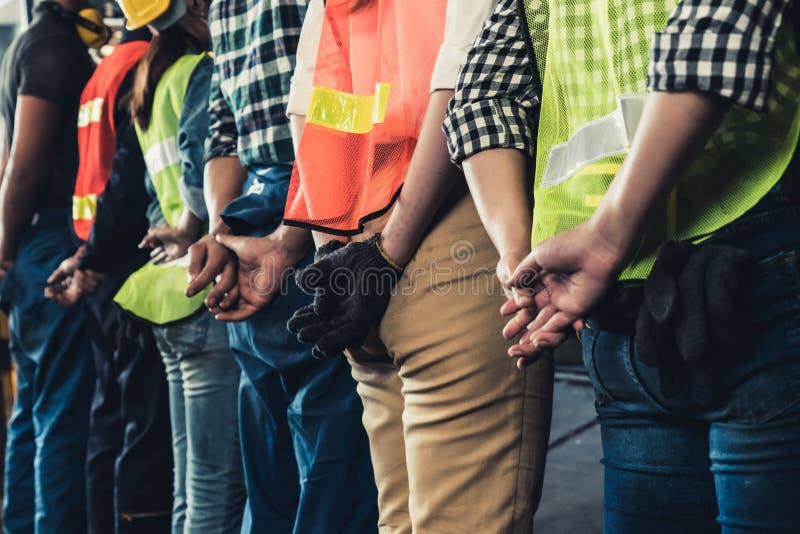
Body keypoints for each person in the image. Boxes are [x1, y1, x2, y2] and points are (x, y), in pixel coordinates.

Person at [448, 0, 800, 531]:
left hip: (624, 299)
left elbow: (479, 99)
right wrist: (567, 250)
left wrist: (522, 256)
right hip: (738, 276)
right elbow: (718, 34)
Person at [220, 0, 555, 531]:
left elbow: (312, 111)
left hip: (355, 253)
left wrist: (330, 253)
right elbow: (466, 83)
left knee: (397, 519)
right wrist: (383, 249)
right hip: (446, 231)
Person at [185, 0, 379, 530]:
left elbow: (222, 131)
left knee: (271, 473)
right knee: (335, 464)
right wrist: (292, 237)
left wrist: (220, 233)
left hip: (253, 210)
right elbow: (344, 100)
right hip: (318, 201)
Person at [114, 0, 245, 530]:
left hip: (166, 293)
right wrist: (195, 227)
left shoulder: (153, 80)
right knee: (217, 485)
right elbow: (199, 175)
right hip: (201, 290)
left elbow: (155, 194)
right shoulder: (200, 70)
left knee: (189, 486)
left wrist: (176, 229)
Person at [44, 26, 175, 533]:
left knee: (108, 425)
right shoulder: (142, 65)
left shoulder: (102, 70)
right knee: (140, 430)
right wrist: (95, 257)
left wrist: (86, 255)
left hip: (99, 262)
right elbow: (123, 179)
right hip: (127, 264)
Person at [0, 1, 97, 531]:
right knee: (61, 414)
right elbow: (23, 165)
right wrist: (7, 250)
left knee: (33, 412)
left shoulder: (27, 45)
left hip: (34, 240)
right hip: (51, 239)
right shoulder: (54, 49)